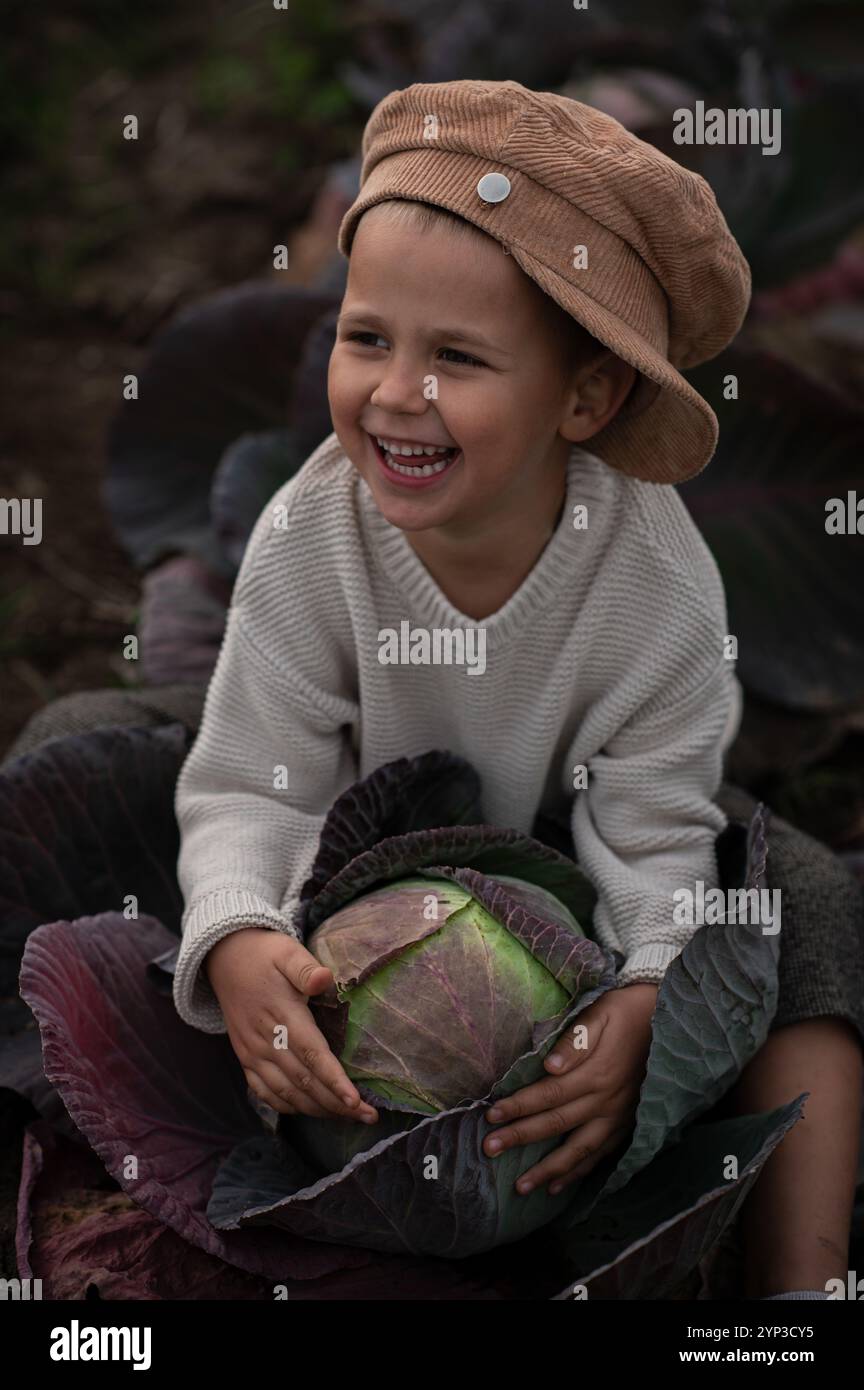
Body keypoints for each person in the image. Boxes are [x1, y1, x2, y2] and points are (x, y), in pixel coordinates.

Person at [171, 80, 864, 1300]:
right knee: (92, 747)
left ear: (586, 400)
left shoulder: (653, 580)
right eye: (367, 336)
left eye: (459, 359)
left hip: (569, 877)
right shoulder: (308, 534)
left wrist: (650, 990)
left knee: (803, 896)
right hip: (345, 879)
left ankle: (799, 1285)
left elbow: (652, 832)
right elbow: (250, 775)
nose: (395, 394)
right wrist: (237, 933)